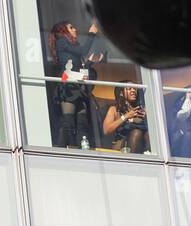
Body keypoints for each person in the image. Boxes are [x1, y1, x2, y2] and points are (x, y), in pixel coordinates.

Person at [48, 20, 102, 149]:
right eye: (71, 27)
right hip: (69, 87)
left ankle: (83, 149)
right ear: (63, 31)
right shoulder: (62, 42)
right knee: (68, 122)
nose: (75, 29)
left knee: (82, 122)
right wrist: (92, 34)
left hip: (78, 87)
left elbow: (79, 68)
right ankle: (60, 151)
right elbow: (83, 50)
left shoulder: (70, 46)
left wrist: (89, 62)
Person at [104, 84, 149, 154]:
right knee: (136, 133)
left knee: (148, 135)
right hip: (122, 146)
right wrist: (126, 116)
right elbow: (106, 130)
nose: (133, 90)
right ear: (121, 93)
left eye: (134, 88)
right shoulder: (114, 109)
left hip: (142, 146)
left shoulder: (140, 109)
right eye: (129, 88)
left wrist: (146, 118)